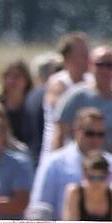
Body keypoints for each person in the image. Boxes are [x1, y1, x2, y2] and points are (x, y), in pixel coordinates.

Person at [30, 107, 112, 220]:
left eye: (100, 134)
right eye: (90, 133)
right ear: (76, 131)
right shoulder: (53, 163)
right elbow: (39, 209)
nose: (95, 139)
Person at [55, 45, 112, 178]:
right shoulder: (76, 97)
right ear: (90, 66)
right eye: (100, 64)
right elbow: (59, 136)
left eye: (110, 65)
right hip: (79, 175)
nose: (105, 70)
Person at [41, 32, 91, 162]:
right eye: (83, 55)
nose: (88, 59)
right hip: (57, 152)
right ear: (68, 58)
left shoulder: (90, 82)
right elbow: (66, 116)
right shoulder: (58, 83)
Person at [61, 152, 112, 221]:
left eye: (101, 177)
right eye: (91, 177)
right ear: (83, 175)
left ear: (109, 176)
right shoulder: (74, 192)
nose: (96, 182)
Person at [0, 59, 34, 149]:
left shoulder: (33, 105)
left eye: (17, 76)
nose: (12, 80)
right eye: (8, 76)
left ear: (26, 80)